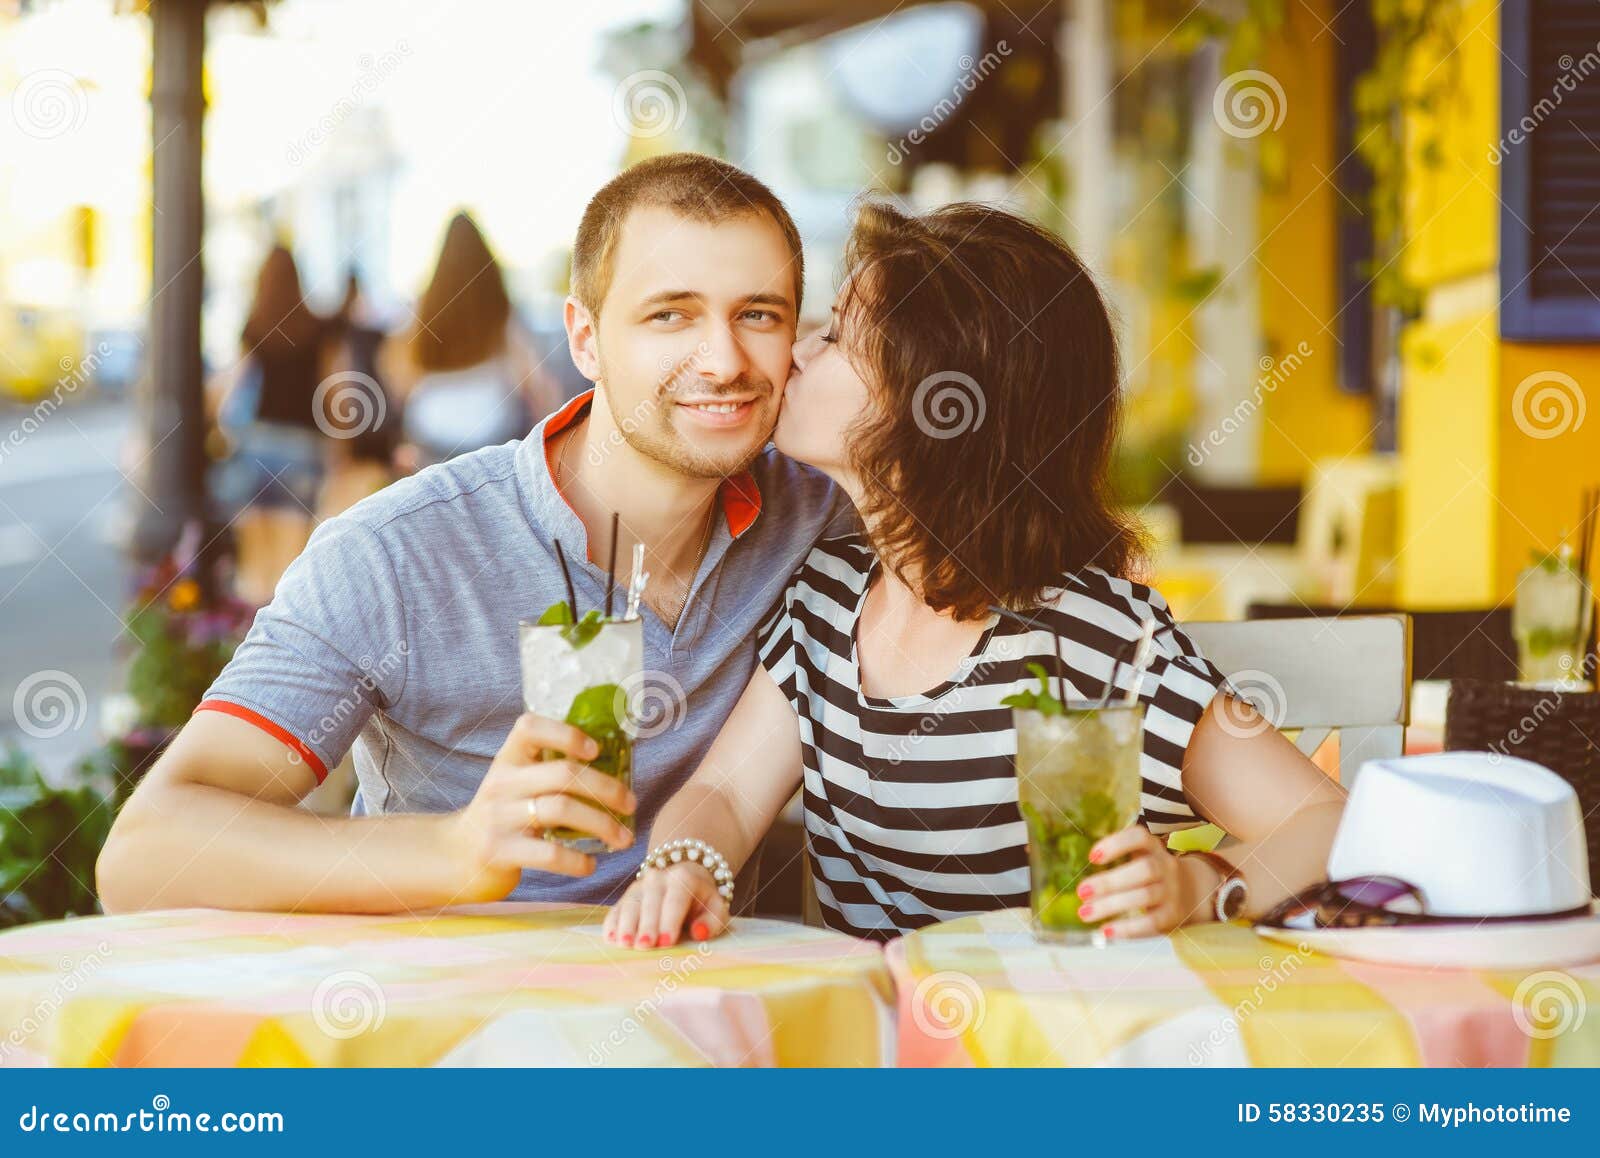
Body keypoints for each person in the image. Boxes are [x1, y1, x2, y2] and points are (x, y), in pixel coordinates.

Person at [97, 153, 852, 914]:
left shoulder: (822, 515)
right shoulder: (397, 551)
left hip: (695, 1017)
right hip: (451, 1020)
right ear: (585, 341)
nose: (723, 361)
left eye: (758, 314)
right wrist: (454, 849)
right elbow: (145, 854)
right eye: (670, 315)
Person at [606, 201, 1348, 948]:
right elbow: (725, 796)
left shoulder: (1093, 643)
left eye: (835, 338)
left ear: (934, 404)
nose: (794, 352)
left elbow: (1326, 822)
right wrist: (686, 863)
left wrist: (1198, 885)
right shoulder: (824, 598)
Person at [207, 245, 338, 605]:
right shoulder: (318, 327)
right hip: (303, 448)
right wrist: (337, 450)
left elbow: (235, 388)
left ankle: (247, 640)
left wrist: (220, 429)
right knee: (292, 568)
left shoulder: (254, 326)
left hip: (257, 448)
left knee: (254, 565)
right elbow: (333, 391)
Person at [381, 211, 562, 471]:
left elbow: (399, 377)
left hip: (430, 430)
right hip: (489, 427)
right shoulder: (499, 309)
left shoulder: (425, 307)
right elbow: (535, 382)